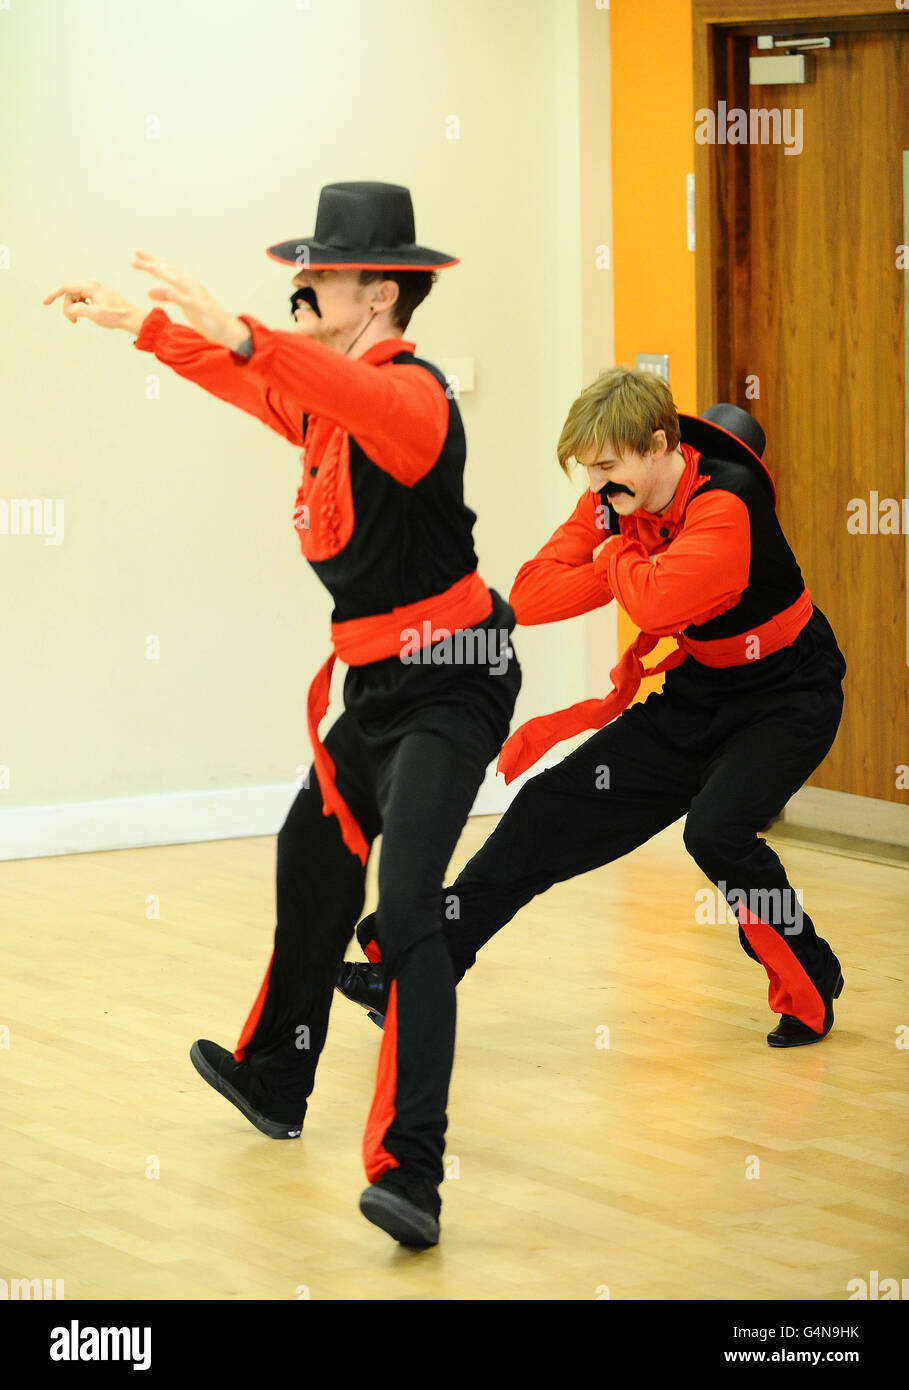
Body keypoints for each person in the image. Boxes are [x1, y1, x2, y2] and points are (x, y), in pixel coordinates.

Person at [42, 182, 521, 1248]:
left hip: (456, 677)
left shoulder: (412, 400)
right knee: (311, 850)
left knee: (405, 913)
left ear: (381, 292)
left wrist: (247, 331)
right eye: (299, 275)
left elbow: (314, 384)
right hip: (379, 689)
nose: (302, 286)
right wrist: (147, 325)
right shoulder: (325, 399)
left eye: (322, 274)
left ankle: (413, 1171)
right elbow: (248, 383)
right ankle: (275, 1074)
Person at [338, 368, 847, 1050]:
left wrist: (611, 556)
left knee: (717, 832)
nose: (594, 487)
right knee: (548, 808)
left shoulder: (728, 502)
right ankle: (413, 972)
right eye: (587, 470)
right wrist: (623, 552)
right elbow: (531, 594)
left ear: (658, 445)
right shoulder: (614, 498)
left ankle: (807, 980)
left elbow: (659, 605)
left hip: (788, 693)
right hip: (699, 693)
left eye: (605, 467)